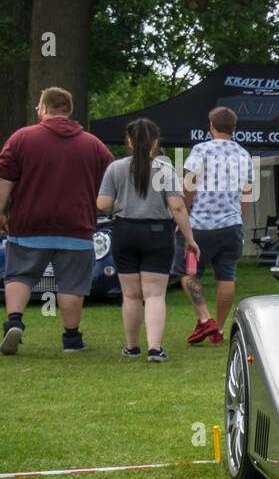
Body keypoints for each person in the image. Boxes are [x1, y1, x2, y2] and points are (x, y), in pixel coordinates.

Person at [0, 87, 114, 355]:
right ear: (69, 110)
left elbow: (4, 180)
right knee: (71, 283)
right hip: (76, 226)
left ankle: (14, 322)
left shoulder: (21, 139)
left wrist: (1, 213)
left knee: (19, 274)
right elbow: (111, 183)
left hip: (28, 224)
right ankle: (72, 339)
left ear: (43, 108)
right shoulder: (93, 145)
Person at [97, 118, 200, 362]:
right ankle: (155, 348)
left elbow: (103, 204)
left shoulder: (115, 168)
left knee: (130, 295)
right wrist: (189, 240)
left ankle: (132, 347)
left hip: (125, 231)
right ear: (155, 142)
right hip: (157, 233)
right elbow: (177, 208)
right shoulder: (165, 170)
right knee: (154, 295)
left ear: (129, 141)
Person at [174, 106, 255, 345]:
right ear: (234, 128)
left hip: (199, 228)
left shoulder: (201, 150)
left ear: (211, 126)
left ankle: (205, 318)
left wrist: (184, 217)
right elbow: (246, 192)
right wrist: (238, 217)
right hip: (230, 228)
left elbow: (189, 186)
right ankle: (218, 329)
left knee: (188, 274)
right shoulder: (244, 154)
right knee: (226, 276)